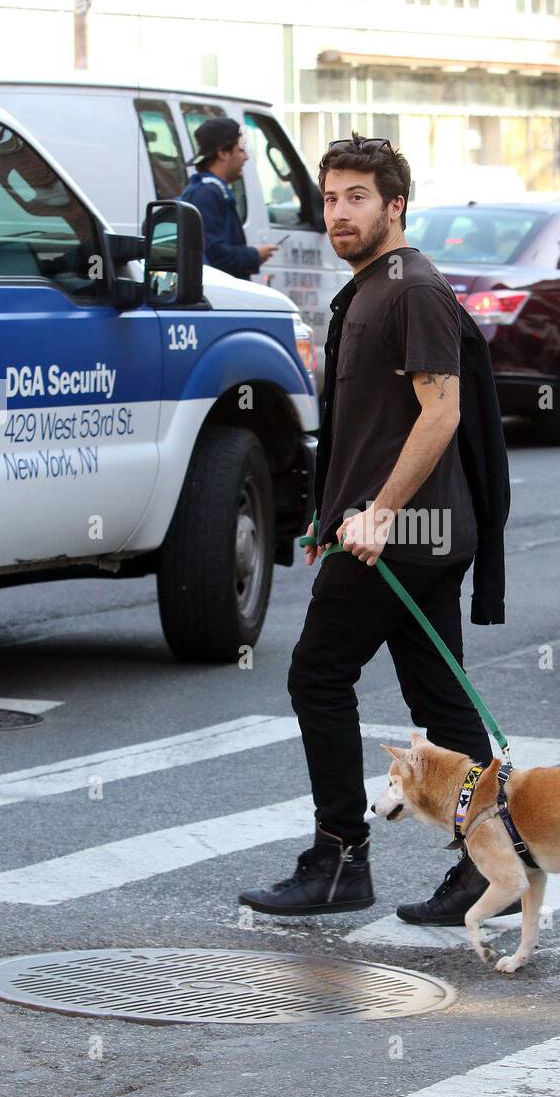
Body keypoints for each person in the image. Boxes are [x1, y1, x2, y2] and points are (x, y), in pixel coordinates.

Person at [238, 131, 515, 925]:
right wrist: (333, 516)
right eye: (330, 198)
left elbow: (442, 412)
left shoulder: (411, 288)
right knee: (443, 701)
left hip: (403, 536)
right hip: (399, 533)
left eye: (358, 197)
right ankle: (484, 867)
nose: (339, 213)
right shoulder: (371, 289)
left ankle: (338, 860)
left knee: (317, 676)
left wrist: (381, 513)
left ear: (396, 205)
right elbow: (372, 429)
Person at [180, 116, 277, 280]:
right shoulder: (206, 194)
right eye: (240, 150)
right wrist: (253, 255)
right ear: (223, 153)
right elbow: (214, 255)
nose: (246, 157)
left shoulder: (211, 190)